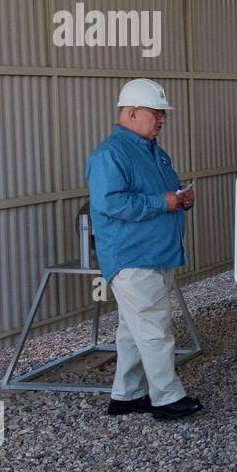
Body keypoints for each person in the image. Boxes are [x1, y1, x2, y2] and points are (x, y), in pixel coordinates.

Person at [86, 78, 203, 420]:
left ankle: (126, 395)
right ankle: (166, 399)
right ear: (132, 112)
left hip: (153, 254)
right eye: (156, 113)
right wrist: (162, 203)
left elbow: (162, 195)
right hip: (132, 256)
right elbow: (109, 202)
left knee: (133, 330)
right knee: (154, 328)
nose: (162, 119)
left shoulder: (153, 151)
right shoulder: (110, 154)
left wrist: (182, 199)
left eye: (163, 114)